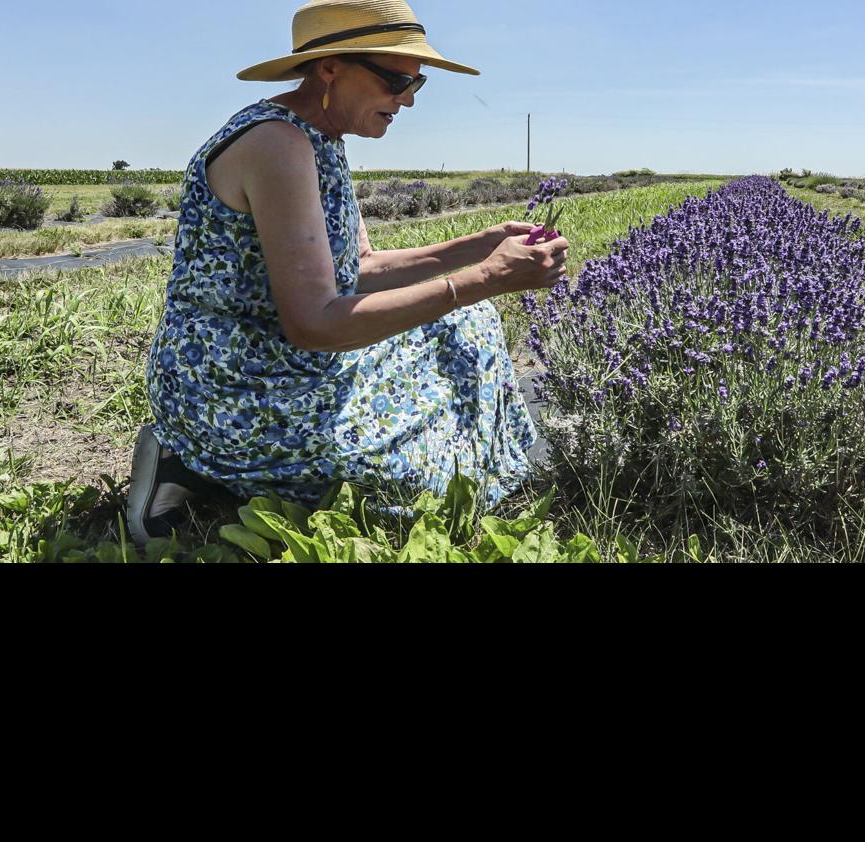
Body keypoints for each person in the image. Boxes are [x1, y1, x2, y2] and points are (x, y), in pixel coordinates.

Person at [129, 0, 572, 545]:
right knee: (408, 489)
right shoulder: (278, 144)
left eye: (417, 84)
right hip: (240, 380)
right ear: (330, 68)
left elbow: (357, 270)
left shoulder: (322, 140)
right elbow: (315, 323)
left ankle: (219, 467)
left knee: (469, 324)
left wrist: (480, 246)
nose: (407, 99)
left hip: (288, 359)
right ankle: (188, 456)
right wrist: (486, 278)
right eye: (395, 80)